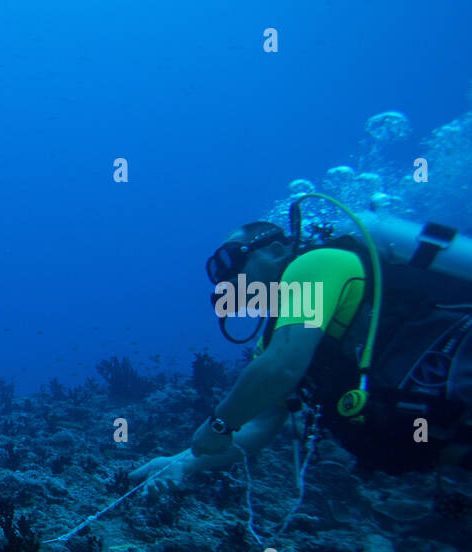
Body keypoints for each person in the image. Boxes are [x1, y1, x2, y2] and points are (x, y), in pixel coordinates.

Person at [132, 200, 472, 491]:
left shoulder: (316, 263)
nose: (227, 280)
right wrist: (181, 463)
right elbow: (260, 426)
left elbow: (282, 368)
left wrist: (218, 424)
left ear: (277, 250)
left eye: (231, 262)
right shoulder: (275, 337)